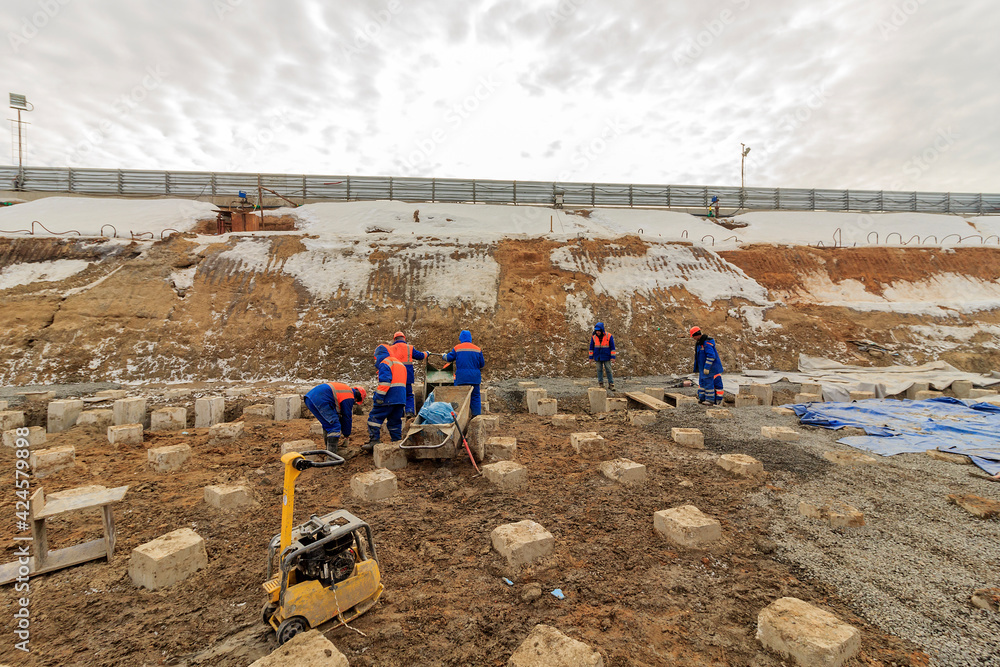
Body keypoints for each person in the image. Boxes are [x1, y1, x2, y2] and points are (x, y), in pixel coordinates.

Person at [363, 345, 407, 453]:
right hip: (400, 399)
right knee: (395, 422)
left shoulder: (385, 363)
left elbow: (385, 382)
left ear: (379, 355)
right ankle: (397, 442)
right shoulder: (400, 364)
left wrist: (378, 397)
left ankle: (374, 441)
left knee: (374, 419)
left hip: (388, 397)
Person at [303, 383, 366, 453]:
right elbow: (347, 416)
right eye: (356, 401)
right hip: (320, 399)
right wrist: (346, 435)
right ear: (357, 397)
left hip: (310, 398)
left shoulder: (345, 390)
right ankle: (332, 457)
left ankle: (328, 450)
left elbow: (339, 412)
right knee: (334, 426)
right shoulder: (349, 396)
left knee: (328, 423)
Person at [443, 329, 486, 416]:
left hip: (461, 378)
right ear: (470, 338)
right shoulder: (477, 349)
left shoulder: (457, 348)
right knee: (475, 397)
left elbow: (449, 359)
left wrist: (443, 356)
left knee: (460, 397)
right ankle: (476, 417)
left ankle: (461, 416)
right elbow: (482, 364)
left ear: (461, 338)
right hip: (474, 378)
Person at [387, 331, 429, 417]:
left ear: (394, 339)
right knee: (409, 394)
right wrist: (427, 353)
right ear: (404, 338)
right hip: (407, 375)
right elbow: (420, 356)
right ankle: (409, 412)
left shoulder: (390, 349)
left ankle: (399, 414)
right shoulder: (409, 348)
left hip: (395, 376)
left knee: (397, 395)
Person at [690, 326, 724, 405]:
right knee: (702, 383)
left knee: (708, 383)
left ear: (697, 334)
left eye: (693, 336)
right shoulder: (700, 343)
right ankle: (702, 398)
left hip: (710, 368)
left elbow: (711, 356)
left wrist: (707, 367)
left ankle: (710, 400)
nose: (693, 338)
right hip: (703, 368)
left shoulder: (706, 343)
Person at [589, 322, 616, 391]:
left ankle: (611, 384)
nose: (597, 332)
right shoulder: (594, 337)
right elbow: (591, 347)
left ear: (602, 330)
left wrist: (613, 357)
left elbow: (612, 347)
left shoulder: (609, 336)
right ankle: (601, 384)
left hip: (606, 356)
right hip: (598, 356)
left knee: (608, 370)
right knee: (599, 370)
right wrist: (590, 357)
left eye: (598, 331)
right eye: (596, 331)